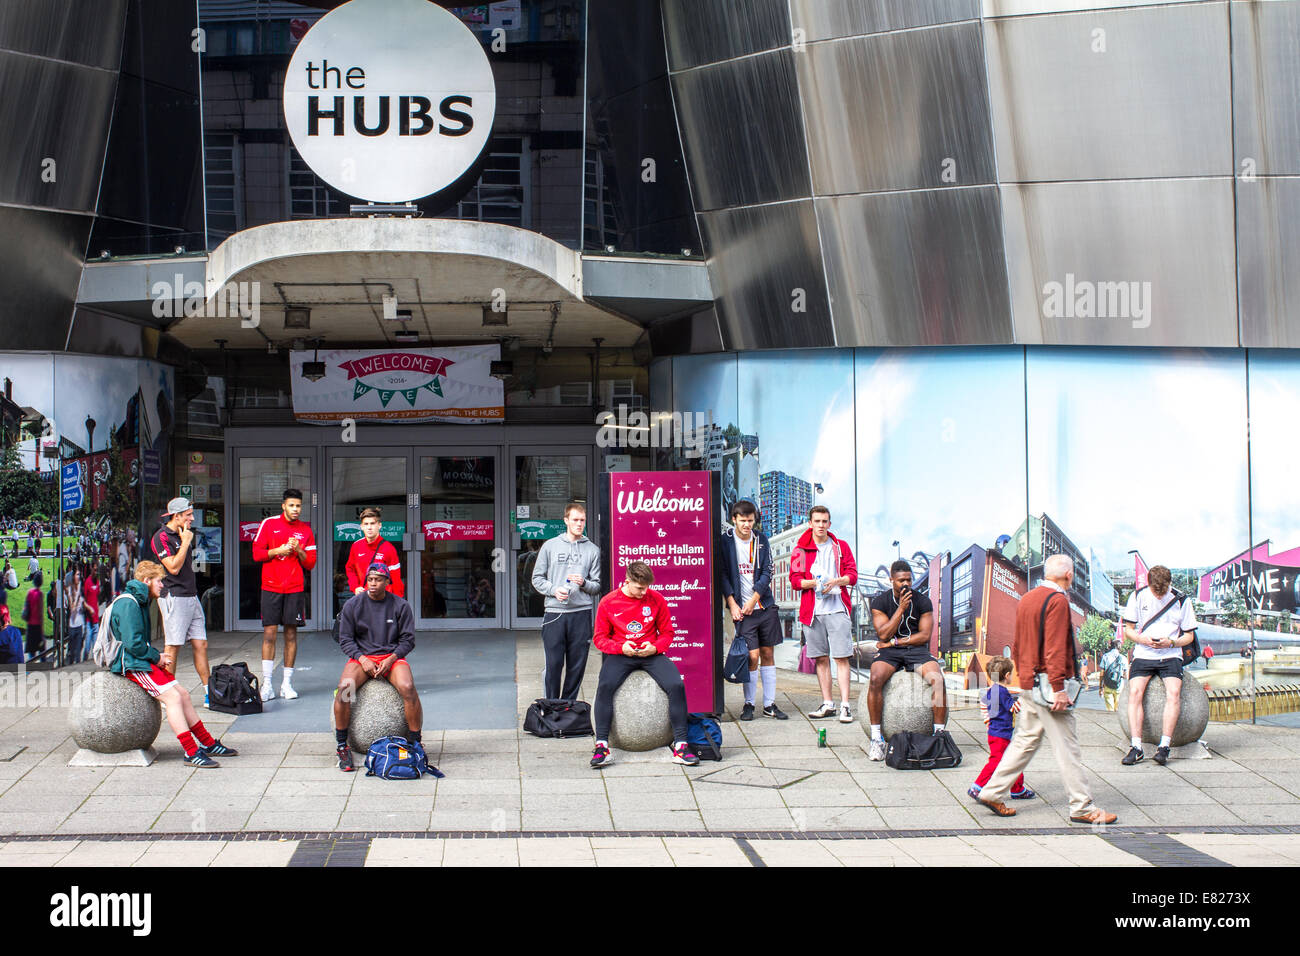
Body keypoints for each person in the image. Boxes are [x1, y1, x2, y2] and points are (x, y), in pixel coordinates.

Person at [976, 554, 1116, 824]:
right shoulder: (1059, 601)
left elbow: (1017, 644)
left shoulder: (1027, 598)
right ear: (1069, 575)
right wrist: (1058, 688)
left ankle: (992, 791)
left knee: (1024, 742)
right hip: (1048, 687)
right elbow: (1054, 647)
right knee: (1067, 748)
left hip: (1030, 684)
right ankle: (1082, 807)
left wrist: (1024, 676)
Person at [107, 561, 238, 768]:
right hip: (132, 664)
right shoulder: (129, 604)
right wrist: (156, 657)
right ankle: (190, 751)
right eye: (159, 581)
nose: (162, 586)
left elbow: (136, 643)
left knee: (184, 694)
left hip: (139, 660)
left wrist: (154, 656)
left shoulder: (138, 601)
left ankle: (207, 743)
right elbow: (133, 645)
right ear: (147, 581)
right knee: (174, 698)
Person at [589, 561, 699, 768]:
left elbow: (667, 633)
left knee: (676, 685)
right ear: (627, 581)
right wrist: (621, 648)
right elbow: (599, 639)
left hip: (650, 654)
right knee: (604, 686)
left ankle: (681, 745)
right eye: (639, 588)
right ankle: (602, 745)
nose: (644, 592)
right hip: (622, 653)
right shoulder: (608, 602)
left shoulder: (656, 599)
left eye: (647, 587)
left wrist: (655, 647)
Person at [333, 562, 420, 772]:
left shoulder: (400, 606)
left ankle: (417, 744)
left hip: (391, 657)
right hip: (362, 658)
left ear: (387, 582)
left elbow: (408, 640)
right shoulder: (353, 605)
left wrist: (391, 659)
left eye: (378, 579)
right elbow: (345, 639)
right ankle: (342, 746)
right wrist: (362, 659)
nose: (373, 583)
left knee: (408, 688)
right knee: (345, 690)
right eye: (370, 579)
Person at [865, 559, 946, 759]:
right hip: (890, 652)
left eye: (909, 580)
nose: (905, 584)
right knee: (875, 679)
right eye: (901, 580)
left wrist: (894, 643)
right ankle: (877, 739)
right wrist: (901, 609)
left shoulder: (923, 601)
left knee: (937, 680)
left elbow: (925, 635)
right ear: (891, 579)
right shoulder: (880, 602)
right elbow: (883, 634)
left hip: (915, 649)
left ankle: (940, 736)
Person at [1120, 564, 1197, 766]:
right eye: (1156, 591)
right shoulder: (1138, 596)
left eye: (1163, 590)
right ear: (1149, 584)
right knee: (1135, 693)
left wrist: (1171, 642)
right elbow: (1128, 629)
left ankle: (1164, 746)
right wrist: (1142, 639)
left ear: (1170, 583)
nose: (1160, 594)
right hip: (1144, 652)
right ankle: (1136, 746)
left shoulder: (1182, 600)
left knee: (1173, 693)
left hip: (1170, 653)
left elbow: (1189, 635)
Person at [791, 506, 858, 723]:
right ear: (810, 523)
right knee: (820, 659)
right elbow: (795, 581)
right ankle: (828, 703)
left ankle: (845, 706)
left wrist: (837, 581)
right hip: (813, 612)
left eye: (825, 521)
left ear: (829, 524)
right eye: (817, 521)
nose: (821, 525)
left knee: (841, 658)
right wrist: (815, 583)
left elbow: (853, 575)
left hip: (837, 608)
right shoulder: (800, 550)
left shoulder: (840, 547)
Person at [720, 499, 786, 720]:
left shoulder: (761, 540)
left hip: (763, 605)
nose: (747, 525)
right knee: (752, 656)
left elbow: (768, 572)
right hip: (741, 608)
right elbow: (723, 575)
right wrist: (732, 604)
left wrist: (754, 599)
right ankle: (748, 703)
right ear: (734, 519)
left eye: (750, 521)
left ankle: (769, 704)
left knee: (768, 653)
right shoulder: (726, 541)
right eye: (743, 521)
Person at [531, 502, 601, 701]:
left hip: (581, 613)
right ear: (566, 521)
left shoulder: (592, 550)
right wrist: (554, 590)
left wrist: (584, 583)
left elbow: (597, 586)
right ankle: (551, 707)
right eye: (575, 520)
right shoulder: (550, 546)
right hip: (555, 613)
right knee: (553, 665)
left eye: (582, 520)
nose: (579, 524)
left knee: (577, 666)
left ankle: (568, 708)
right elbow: (537, 578)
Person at [252, 488, 316, 702]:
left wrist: (298, 550)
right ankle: (267, 684)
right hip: (271, 587)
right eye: (291, 505)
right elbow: (256, 553)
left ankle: (286, 684)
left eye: (298, 506)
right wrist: (277, 551)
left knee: (291, 635)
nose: (295, 509)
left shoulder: (305, 530)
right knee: (269, 634)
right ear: (284, 506)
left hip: (295, 588)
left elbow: (311, 562)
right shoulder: (269, 524)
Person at [150, 497, 211, 706]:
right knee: (172, 647)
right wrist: (185, 542)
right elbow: (173, 567)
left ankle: (210, 693)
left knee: (201, 643)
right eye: (188, 515)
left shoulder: (183, 534)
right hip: (174, 597)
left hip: (191, 595)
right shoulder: (161, 537)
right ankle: (169, 696)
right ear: (177, 516)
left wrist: (185, 540)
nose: (192, 519)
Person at [968, 656, 1034, 802]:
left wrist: (988, 722)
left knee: (1013, 759)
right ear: (1007, 675)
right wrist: (1024, 698)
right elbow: (1013, 708)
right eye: (1011, 673)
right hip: (1001, 735)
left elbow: (984, 704)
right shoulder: (1002, 691)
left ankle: (1017, 789)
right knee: (998, 761)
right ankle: (977, 787)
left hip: (996, 733)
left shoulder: (992, 690)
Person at [345, 507, 404, 599]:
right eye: (366, 524)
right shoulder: (356, 546)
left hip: (383, 600)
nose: (369, 527)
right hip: (363, 598)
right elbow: (350, 569)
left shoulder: (389, 548)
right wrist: (355, 587)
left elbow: (396, 579)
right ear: (361, 526)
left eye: (372, 523)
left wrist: (397, 602)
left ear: (379, 525)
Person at [1098, 637, 1126, 712]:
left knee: (1110, 709)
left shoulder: (1105, 656)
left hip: (1108, 685)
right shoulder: (1123, 658)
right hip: (1119, 686)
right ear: (1119, 647)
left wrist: (1100, 687)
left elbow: (1102, 673)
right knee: (1118, 709)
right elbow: (1126, 675)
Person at [22, 570, 43, 660]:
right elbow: (40, 613)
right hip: (37, 625)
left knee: (31, 652)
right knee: (41, 650)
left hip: (30, 625)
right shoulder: (40, 594)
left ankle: (28, 671)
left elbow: (26, 608)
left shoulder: (30, 593)